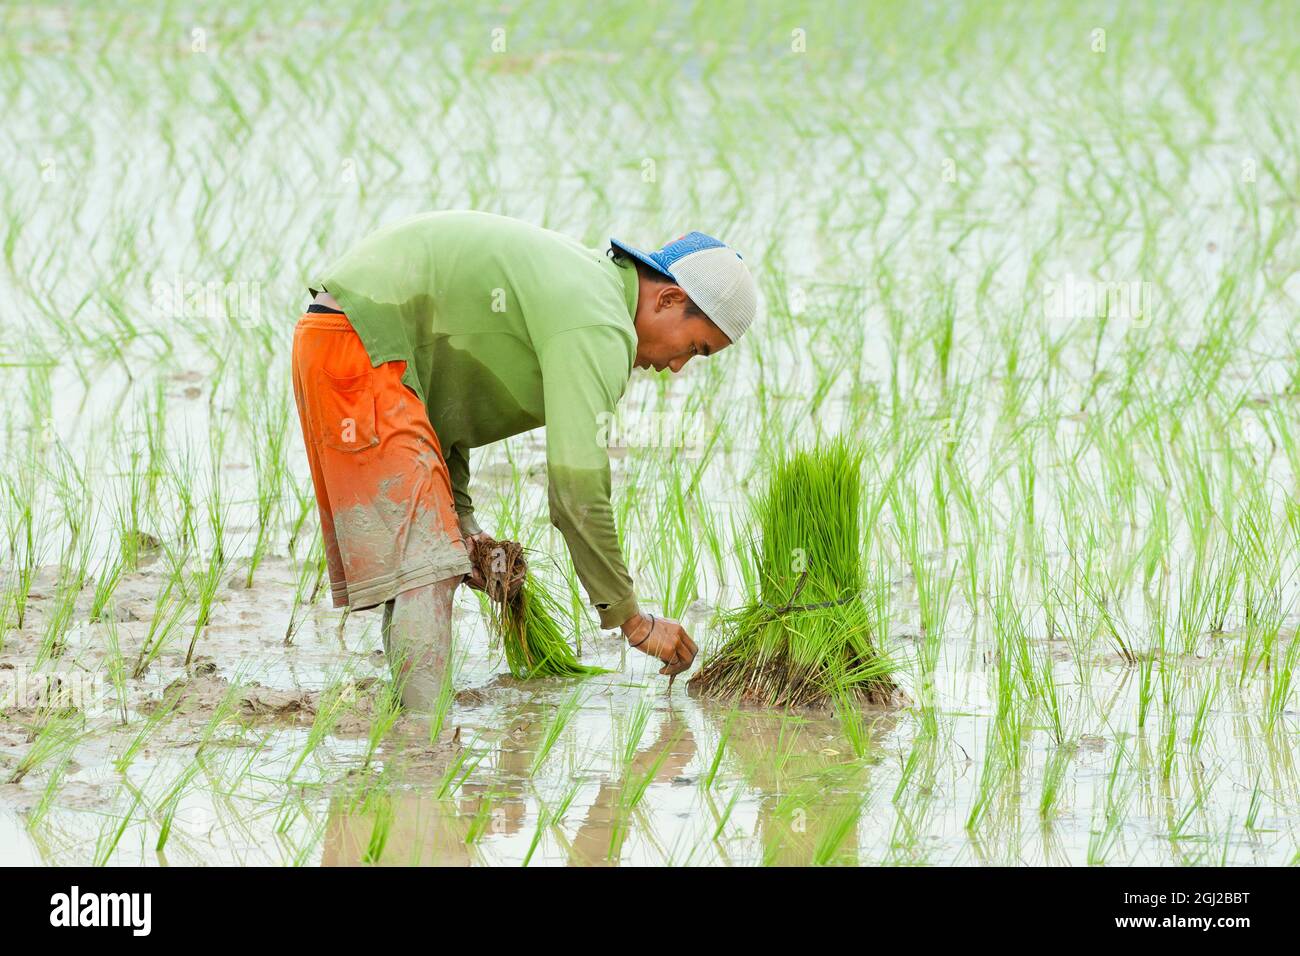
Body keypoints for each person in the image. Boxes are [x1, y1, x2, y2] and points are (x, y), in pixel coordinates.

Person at [290, 210, 757, 709]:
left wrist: (463, 524)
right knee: (425, 572)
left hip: (346, 337)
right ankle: (423, 754)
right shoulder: (600, 320)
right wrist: (633, 622)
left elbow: (442, 397)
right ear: (669, 298)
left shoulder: (582, 287)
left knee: (432, 561)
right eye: (694, 347)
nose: (676, 367)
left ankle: (415, 735)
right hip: (360, 343)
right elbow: (576, 488)